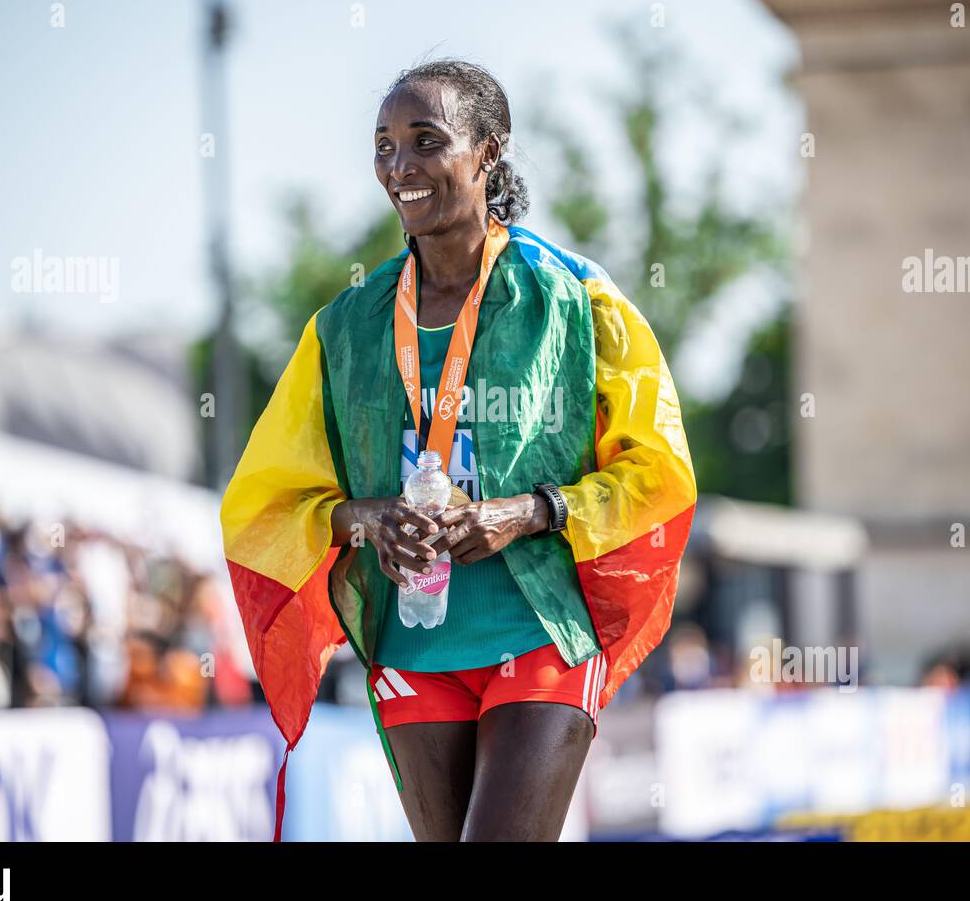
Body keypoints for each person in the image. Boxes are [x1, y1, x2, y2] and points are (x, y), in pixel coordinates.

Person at [221, 60, 696, 841]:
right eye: (384, 146)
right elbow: (262, 504)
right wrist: (364, 518)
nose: (400, 166)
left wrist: (533, 511)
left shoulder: (576, 301)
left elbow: (659, 475)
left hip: (538, 633)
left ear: (488, 153)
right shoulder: (343, 328)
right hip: (411, 642)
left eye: (425, 141)